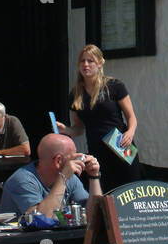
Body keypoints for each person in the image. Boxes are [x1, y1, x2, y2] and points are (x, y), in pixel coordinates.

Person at [58, 44, 139, 188]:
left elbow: (131, 117)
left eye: (90, 61)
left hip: (120, 144)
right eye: (83, 61)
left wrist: (130, 132)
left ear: (100, 63)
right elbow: (79, 128)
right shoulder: (75, 94)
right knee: (104, 190)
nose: (86, 65)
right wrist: (66, 130)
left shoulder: (114, 86)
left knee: (131, 188)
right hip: (97, 148)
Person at [0, 134, 101, 219]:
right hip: (23, 241)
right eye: (75, 156)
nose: (80, 160)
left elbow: (95, 215)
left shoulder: (71, 179)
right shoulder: (22, 180)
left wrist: (94, 177)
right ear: (58, 161)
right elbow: (42, 218)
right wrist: (63, 177)